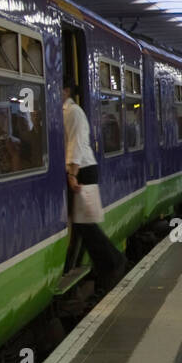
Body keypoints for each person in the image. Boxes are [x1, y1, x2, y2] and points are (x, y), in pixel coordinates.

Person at [63, 82, 127, 295]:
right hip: (80, 168)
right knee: (82, 223)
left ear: (66, 90)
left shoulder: (74, 112)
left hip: (83, 169)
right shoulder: (66, 111)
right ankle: (106, 265)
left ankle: (113, 262)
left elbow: (77, 143)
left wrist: (72, 173)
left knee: (85, 223)